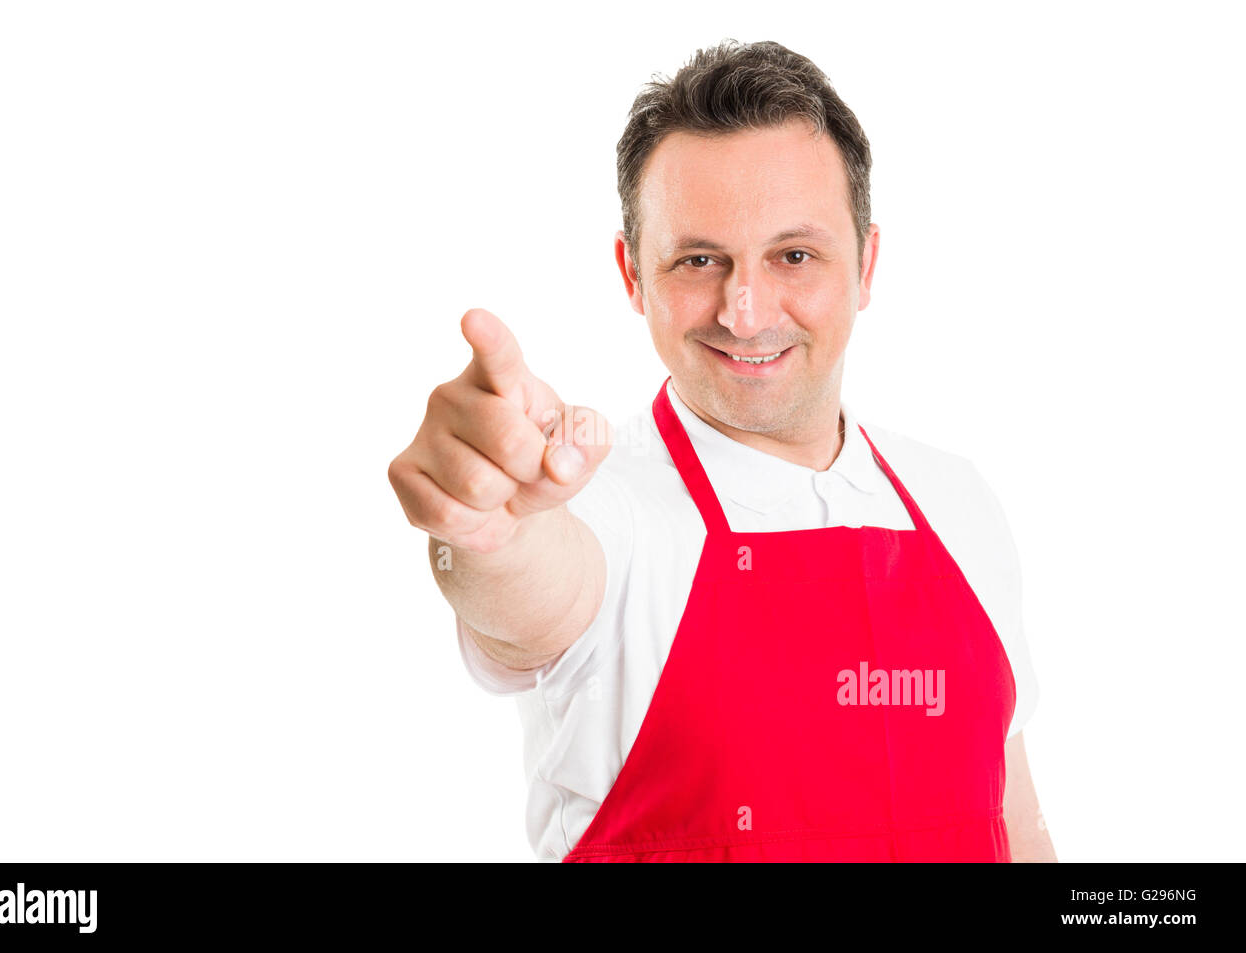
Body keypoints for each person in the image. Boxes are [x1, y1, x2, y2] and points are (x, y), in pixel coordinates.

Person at [389, 38, 1057, 862]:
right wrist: (481, 530)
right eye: (699, 260)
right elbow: (529, 593)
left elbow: (1017, 828)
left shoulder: (959, 500)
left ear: (867, 264)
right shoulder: (603, 506)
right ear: (633, 274)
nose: (745, 311)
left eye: (795, 255)